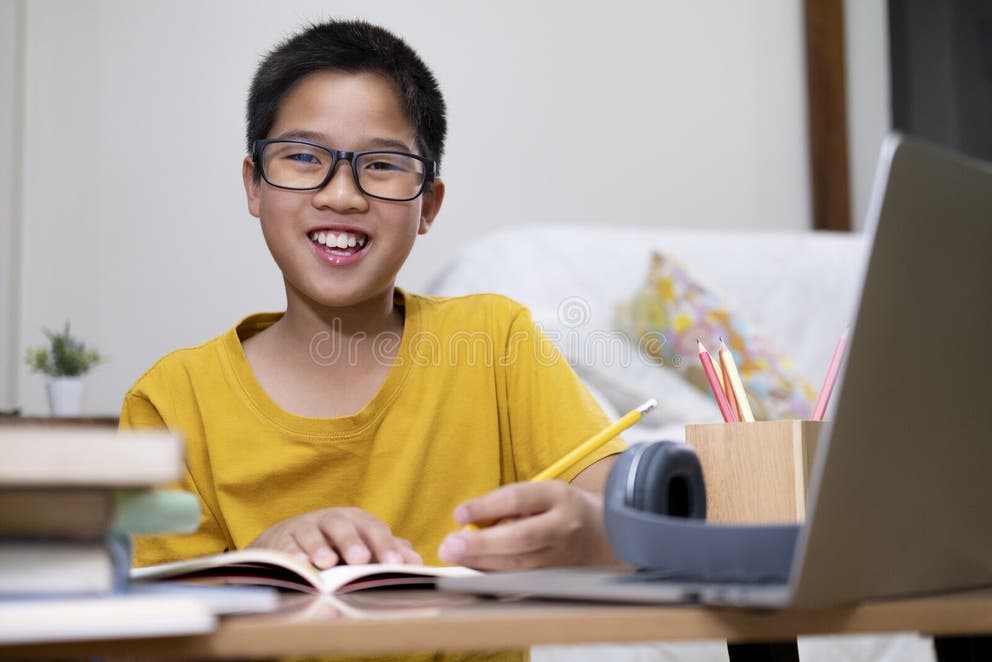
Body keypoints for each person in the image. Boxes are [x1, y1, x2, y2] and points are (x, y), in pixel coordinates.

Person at [120, 19, 624, 576]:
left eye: (381, 165)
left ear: (428, 205)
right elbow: (146, 631)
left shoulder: (495, 342)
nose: (341, 196)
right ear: (254, 185)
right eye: (305, 158)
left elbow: (632, 523)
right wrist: (258, 563)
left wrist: (599, 533)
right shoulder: (169, 403)